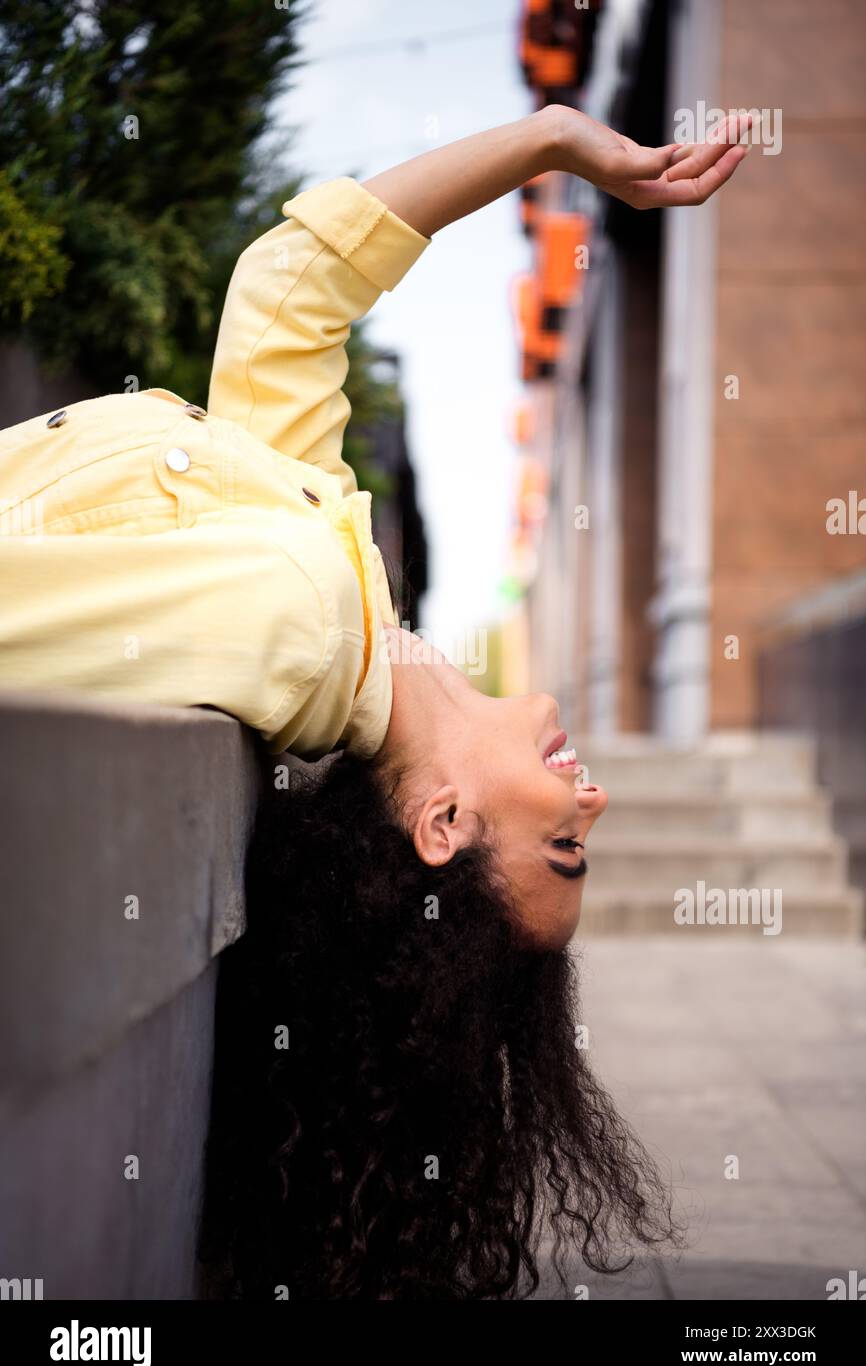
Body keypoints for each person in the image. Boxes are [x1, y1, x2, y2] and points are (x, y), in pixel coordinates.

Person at [0, 105, 749, 1297]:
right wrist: (551, 142)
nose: (592, 800)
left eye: (562, 845)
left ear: (441, 825)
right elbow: (288, 297)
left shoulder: (289, 634)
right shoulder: (336, 591)